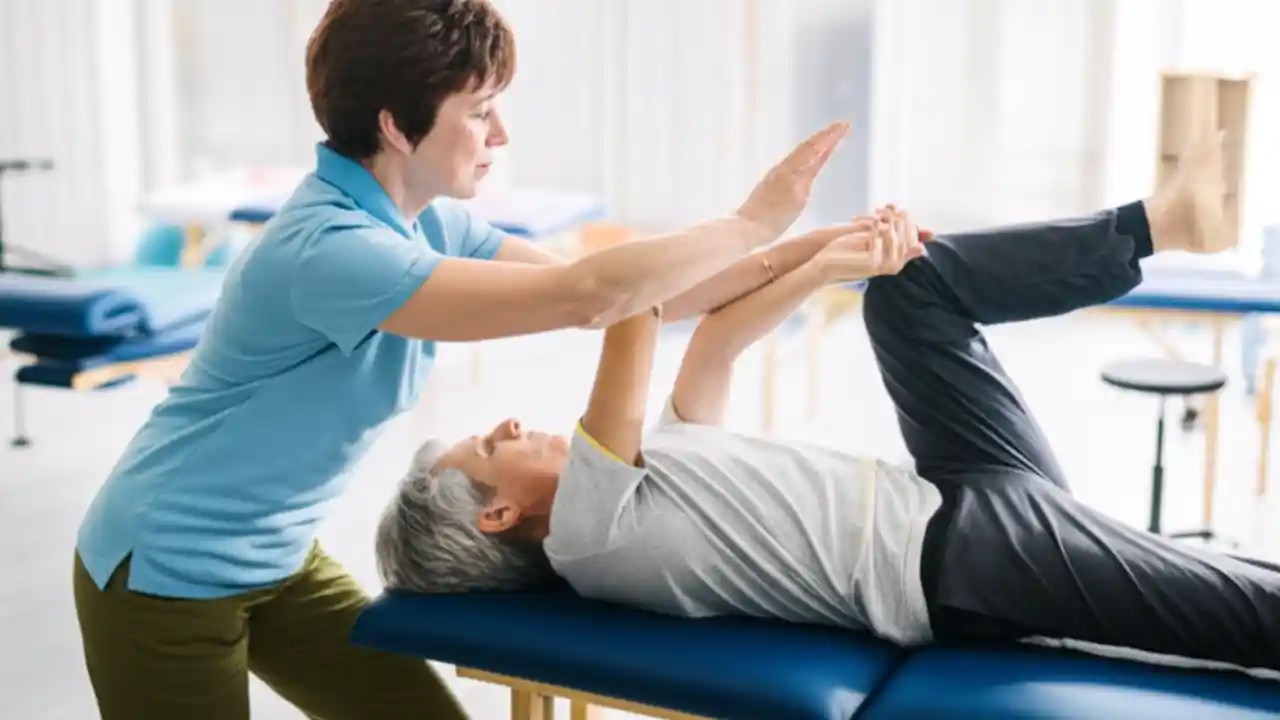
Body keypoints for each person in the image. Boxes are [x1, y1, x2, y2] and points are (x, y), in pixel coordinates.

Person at [71, 1, 859, 718]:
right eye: (480, 111)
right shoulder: (331, 252)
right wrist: (748, 222)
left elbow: (633, 298)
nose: (501, 134)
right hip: (164, 568)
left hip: (274, 553)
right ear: (394, 125)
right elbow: (589, 295)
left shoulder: (426, 225)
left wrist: (817, 250)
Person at [377, 135, 1280, 674]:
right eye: (484, 448)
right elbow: (634, 311)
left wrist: (837, 262)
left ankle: (1157, 223)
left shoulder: (641, 485)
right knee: (1236, 610)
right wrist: (754, 229)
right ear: (499, 516)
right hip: (960, 564)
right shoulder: (585, 536)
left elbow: (719, 340)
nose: (502, 424)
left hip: (959, 490)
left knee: (909, 288)